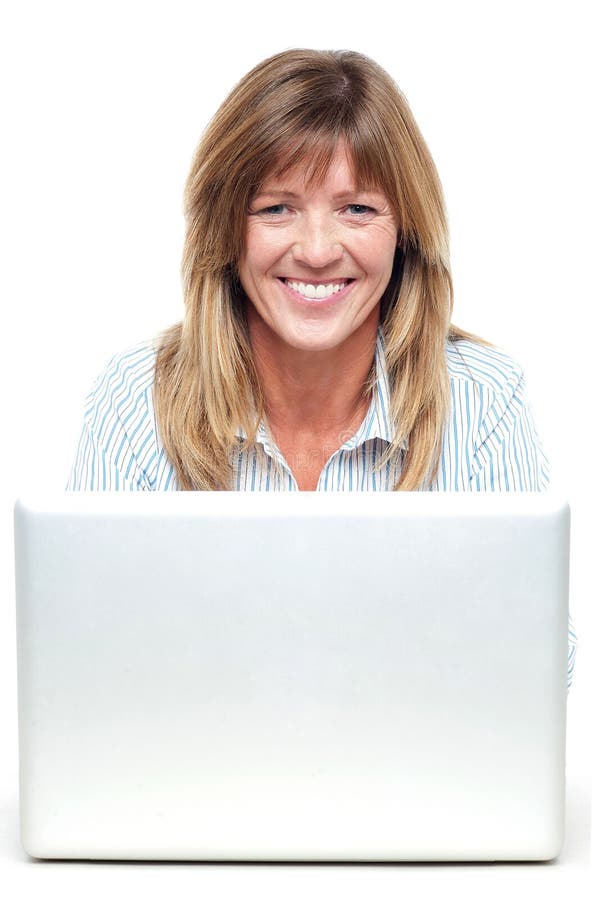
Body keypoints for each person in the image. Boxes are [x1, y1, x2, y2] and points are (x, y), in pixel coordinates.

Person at [66, 48, 576, 686]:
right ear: (225, 230)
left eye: (356, 209)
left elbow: (536, 665)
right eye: (275, 208)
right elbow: (84, 658)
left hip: (414, 755)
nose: (314, 251)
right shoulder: (136, 401)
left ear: (405, 230)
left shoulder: (482, 402)